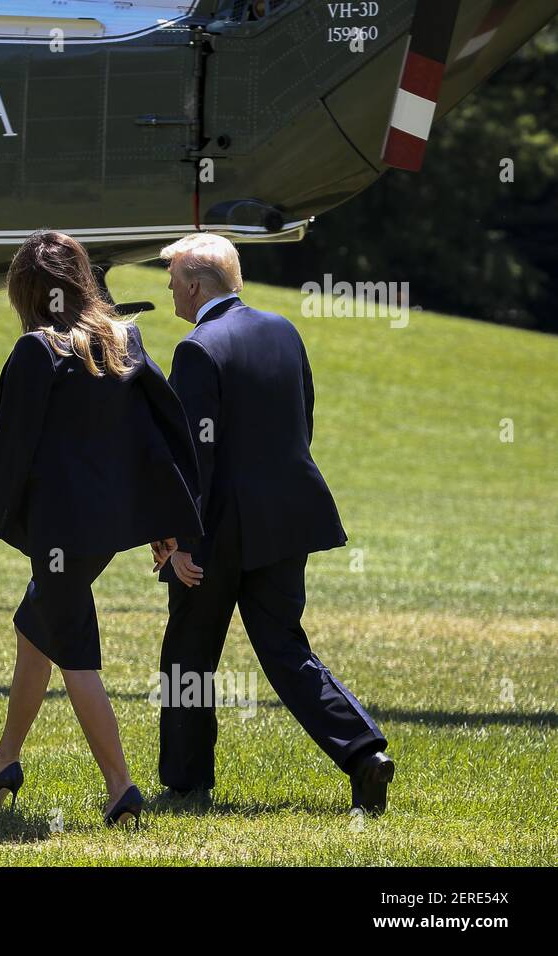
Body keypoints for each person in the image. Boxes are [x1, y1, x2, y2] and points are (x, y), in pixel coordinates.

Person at [152, 232, 395, 814]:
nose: (167, 290)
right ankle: (364, 753)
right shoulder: (283, 330)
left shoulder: (196, 349)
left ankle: (186, 784)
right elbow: (301, 422)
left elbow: (194, 457)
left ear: (193, 284)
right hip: (287, 521)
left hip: (218, 533)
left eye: (171, 280)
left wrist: (181, 543)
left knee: (189, 654)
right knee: (286, 649)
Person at [0, 230, 202, 828]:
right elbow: (157, 431)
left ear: (26, 291)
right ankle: (3, 763)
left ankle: (121, 788)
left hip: (59, 536)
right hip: (104, 528)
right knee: (34, 632)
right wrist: (162, 518)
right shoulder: (123, 338)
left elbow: (11, 452)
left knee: (75, 655)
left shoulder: (37, 351)